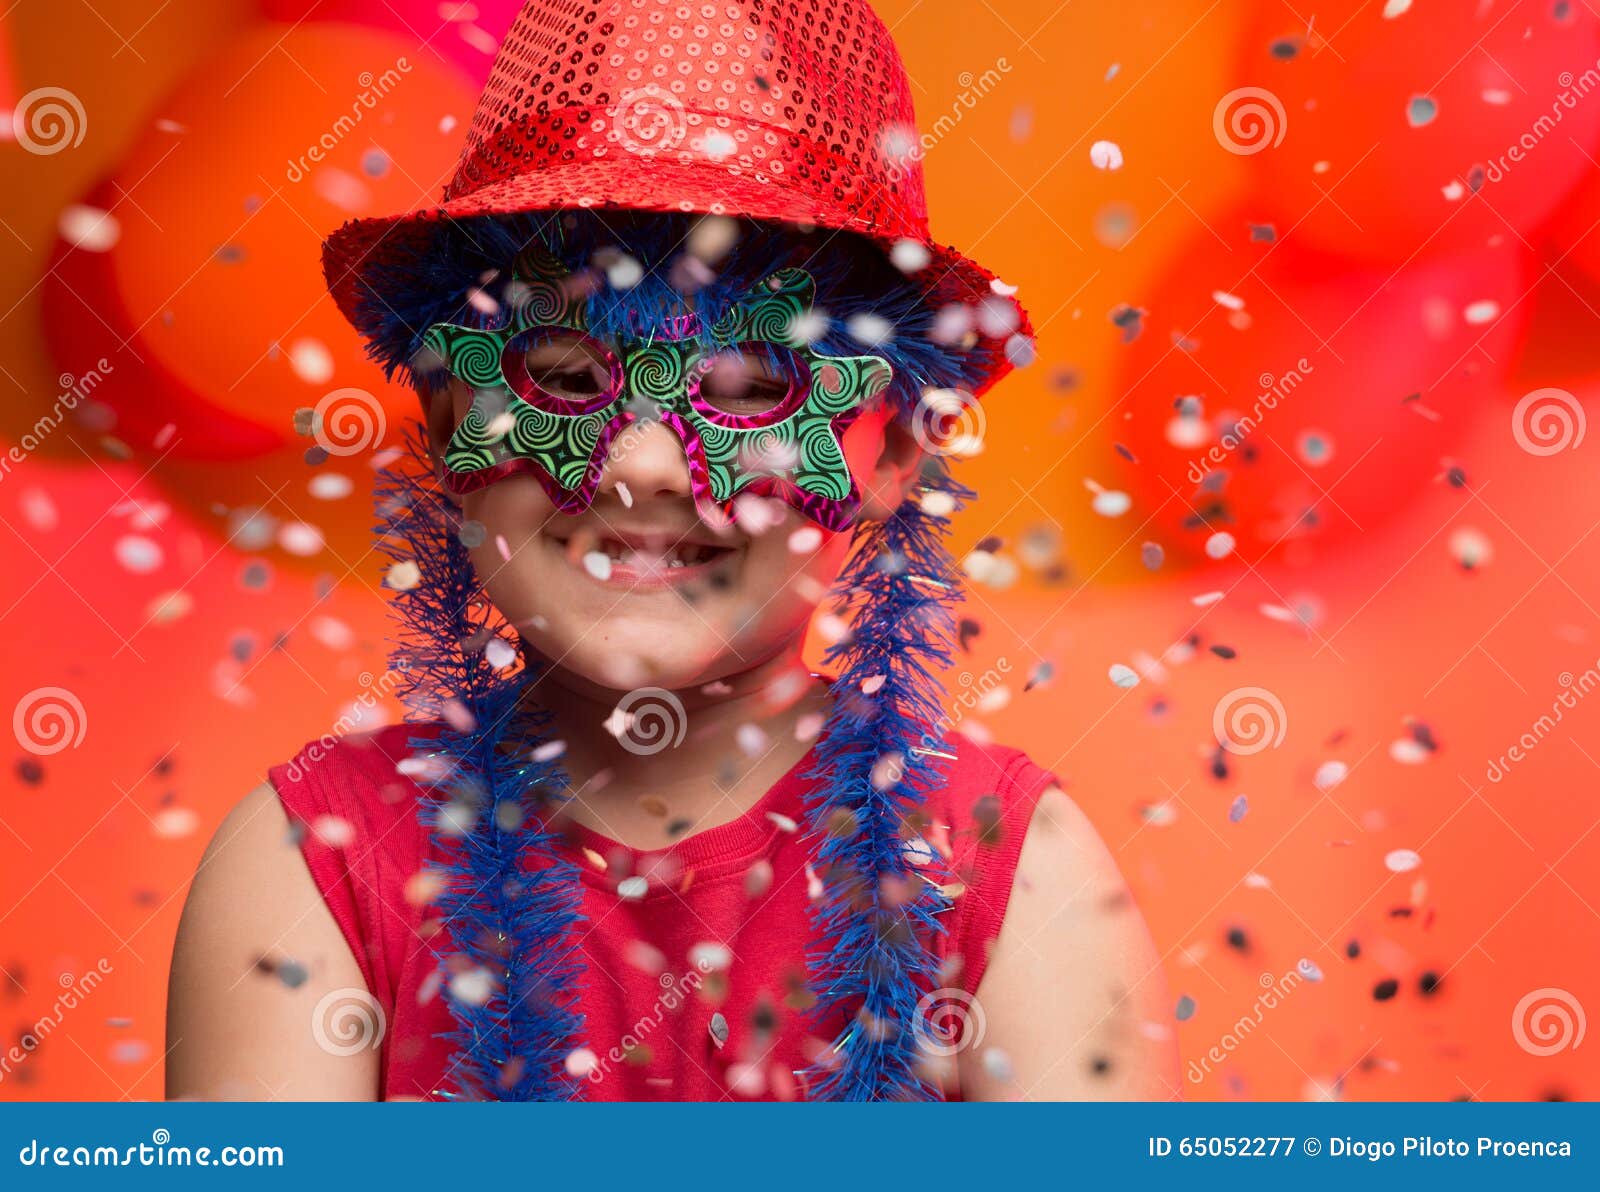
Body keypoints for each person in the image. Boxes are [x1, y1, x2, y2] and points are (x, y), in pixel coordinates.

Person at [166, 0, 1175, 1102]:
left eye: (749, 389)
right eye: (559, 372)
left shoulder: (1015, 883)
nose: (644, 467)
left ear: (897, 452)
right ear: (454, 414)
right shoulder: (317, 864)